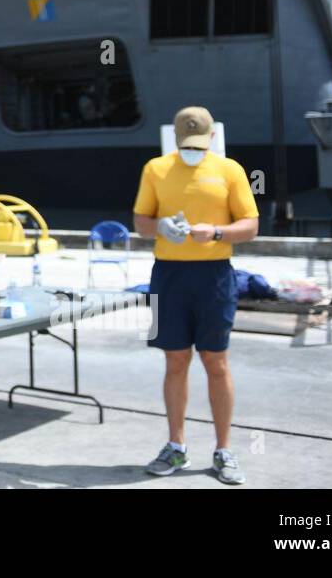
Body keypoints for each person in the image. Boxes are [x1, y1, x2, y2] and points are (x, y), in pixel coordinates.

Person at [132, 105, 259, 485]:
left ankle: (223, 449)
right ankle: (176, 446)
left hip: (214, 276)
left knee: (215, 361)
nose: (193, 150)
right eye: (186, 144)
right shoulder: (155, 169)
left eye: (199, 144)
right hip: (168, 275)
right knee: (174, 361)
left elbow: (250, 225)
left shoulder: (230, 170)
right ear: (174, 137)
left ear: (213, 138)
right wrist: (161, 227)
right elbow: (140, 223)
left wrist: (217, 233)